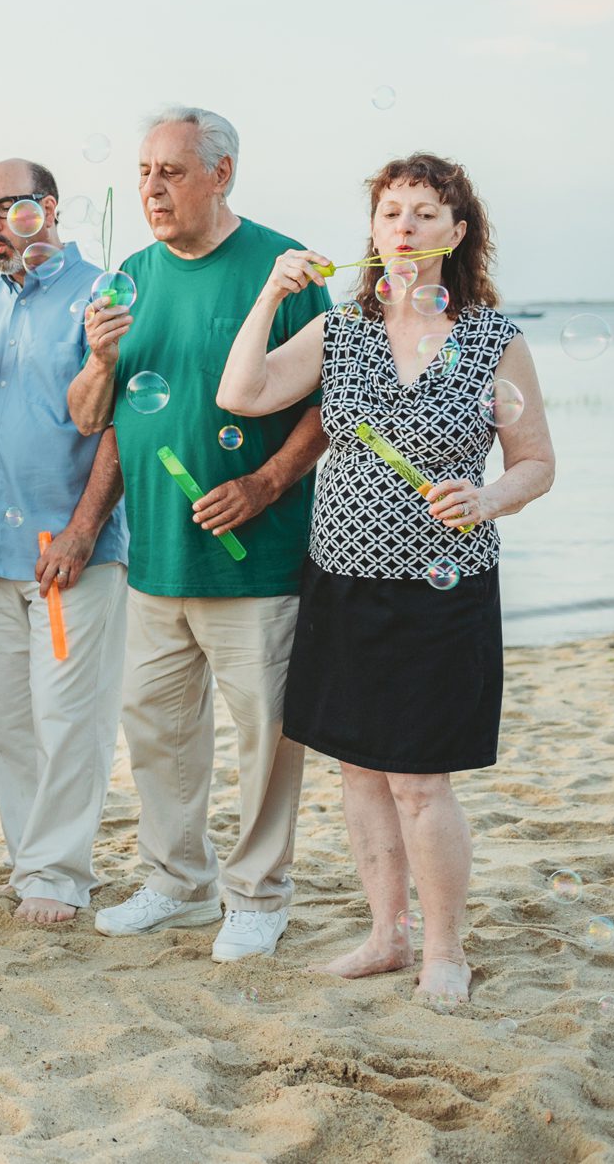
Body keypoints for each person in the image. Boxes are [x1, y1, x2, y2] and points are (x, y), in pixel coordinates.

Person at [217, 153, 554, 1002]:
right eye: (390, 212)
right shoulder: (341, 328)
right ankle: (385, 937)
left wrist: (487, 497)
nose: (403, 226)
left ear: (457, 233)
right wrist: (268, 292)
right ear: (372, 231)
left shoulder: (493, 340)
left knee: (418, 780)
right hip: (344, 580)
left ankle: (445, 948)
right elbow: (242, 392)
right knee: (360, 770)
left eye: (424, 213)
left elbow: (537, 463)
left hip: (444, 588)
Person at [67, 106, 330, 961]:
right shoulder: (128, 279)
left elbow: (331, 403)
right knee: (158, 730)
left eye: (171, 171)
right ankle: (178, 883)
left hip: (258, 560)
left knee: (265, 735)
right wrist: (102, 363)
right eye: (143, 171)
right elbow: (92, 421)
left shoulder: (283, 270)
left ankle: (258, 894)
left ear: (220, 175)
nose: (151, 187)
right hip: (155, 561)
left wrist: (263, 483)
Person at [0, 161, 128, 925]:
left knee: (68, 718)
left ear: (46, 209)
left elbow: (121, 421)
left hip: (69, 546)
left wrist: (86, 529)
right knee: (9, 725)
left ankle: (59, 871)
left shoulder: (102, 292)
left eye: (8, 207)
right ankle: (33, 863)